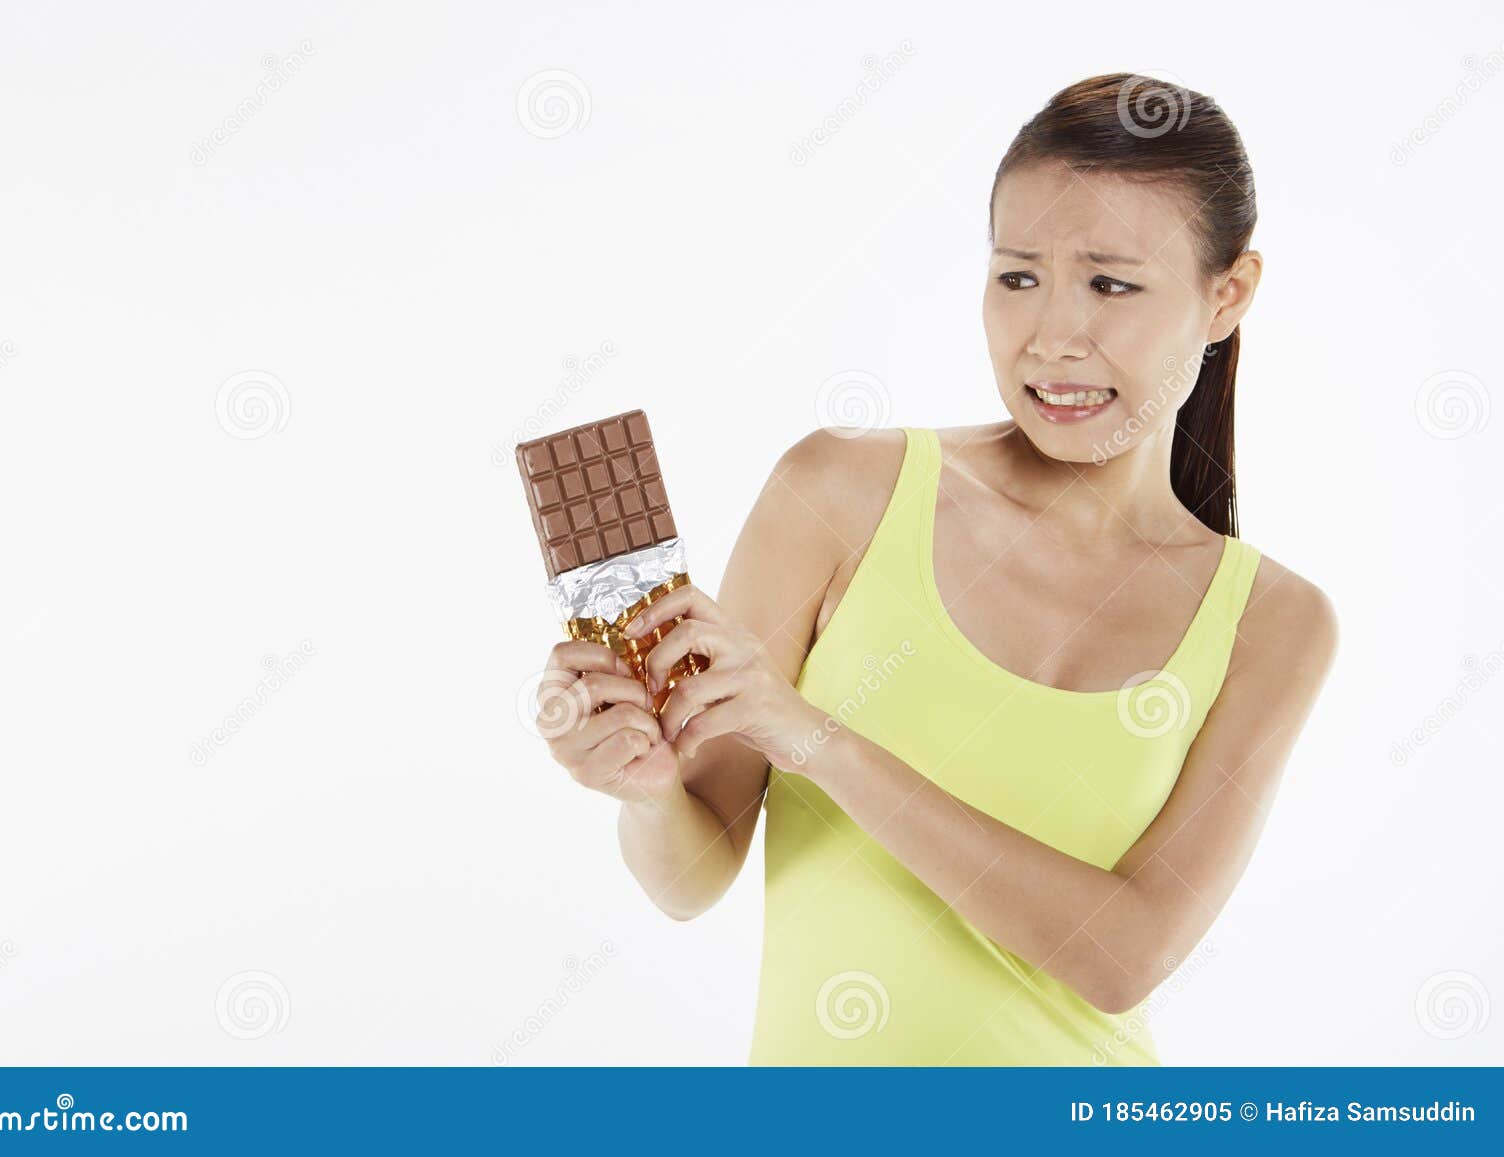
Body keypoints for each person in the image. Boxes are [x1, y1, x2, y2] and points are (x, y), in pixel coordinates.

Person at [531, 72, 1337, 1065]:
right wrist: (648, 789)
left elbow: (1124, 954)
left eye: (1111, 283)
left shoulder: (1273, 620)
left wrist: (819, 740)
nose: (1051, 336)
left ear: (1228, 295)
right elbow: (690, 875)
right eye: (1016, 275)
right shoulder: (838, 490)